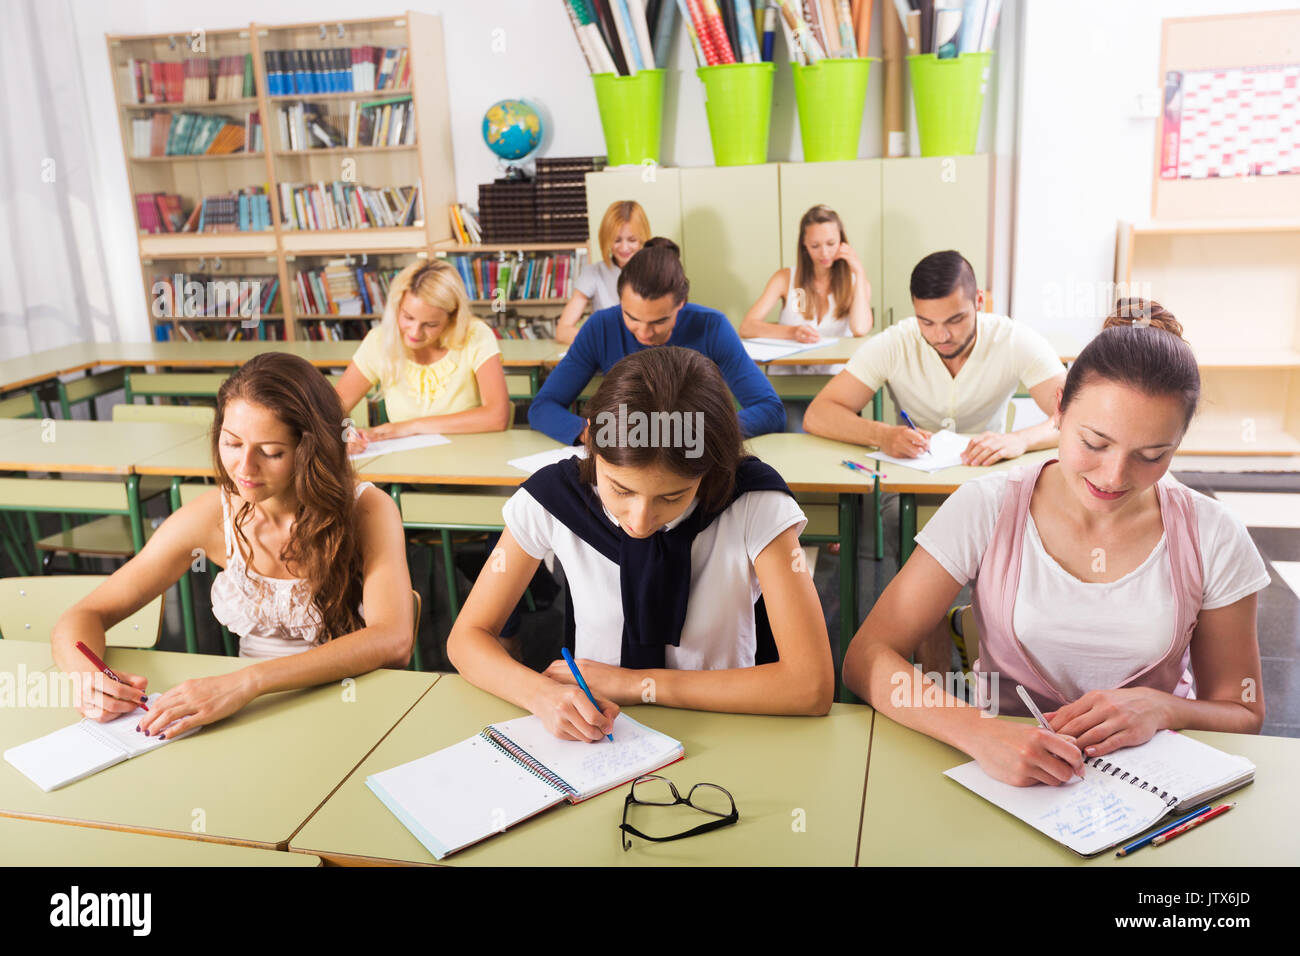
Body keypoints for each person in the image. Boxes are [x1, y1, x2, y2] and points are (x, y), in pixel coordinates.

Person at [841, 301, 1269, 788]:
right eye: (1094, 443)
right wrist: (981, 734)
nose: (1113, 477)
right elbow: (867, 657)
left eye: (1152, 455)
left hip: (1147, 786)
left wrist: (1165, 707)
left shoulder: (1211, 534)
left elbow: (1243, 711)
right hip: (1004, 775)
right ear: (1059, 408)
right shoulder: (988, 505)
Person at [449, 347, 834, 740]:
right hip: (596, 734)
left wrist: (637, 685)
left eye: (672, 497)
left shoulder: (754, 502)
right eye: (620, 489)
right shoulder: (554, 498)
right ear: (593, 448)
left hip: (727, 728)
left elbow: (812, 685)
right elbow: (467, 638)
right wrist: (541, 695)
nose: (639, 521)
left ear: (712, 470)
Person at [51, 352, 414, 736]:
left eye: (271, 452)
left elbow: (393, 639)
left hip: (356, 708)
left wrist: (248, 681)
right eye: (232, 443)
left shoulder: (368, 510)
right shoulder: (212, 517)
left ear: (313, 450)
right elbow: (83, 616)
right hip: (256, 715)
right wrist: (87, 677)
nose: (244, 468)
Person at [804, 250, 1065, 465]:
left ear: (979, 301)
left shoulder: (1013, 339)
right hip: (910, 480)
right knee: (896, 518)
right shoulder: (896, 342)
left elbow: (1075, 416)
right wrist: (882, 434)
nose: (941, 336)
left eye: (955, 320)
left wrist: (1020, 439)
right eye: (926, 322)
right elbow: (817, 414)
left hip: (986, 474)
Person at [528, 237, 786, 444]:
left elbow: (770, 409)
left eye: (659, 321)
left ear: (681, 303)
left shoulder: (712, 326)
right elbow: (542, 407)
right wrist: (590, 433)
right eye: (632, 318)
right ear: (620, 300)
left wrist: (703, 433)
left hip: (696, 454)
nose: (644, 333)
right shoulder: (600, 327)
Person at [336, 259, 510, 453]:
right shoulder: (379, 341)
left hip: (472, 464)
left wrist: (409, 427)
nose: (415, 332)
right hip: (406, 472)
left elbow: (497, 416)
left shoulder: (475, 334)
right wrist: (345, 433)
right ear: (397, 307)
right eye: (408, 317)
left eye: (431, 324)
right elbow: (329, 410)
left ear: (452, 318)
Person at [555, 200, 650, 345]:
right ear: (606, 240)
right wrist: (605, 342)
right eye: (617, 240)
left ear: (643, 240)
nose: (624, 248)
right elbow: (563, 331)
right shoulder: (593, 273)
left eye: (632, 240)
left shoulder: (656, 272)